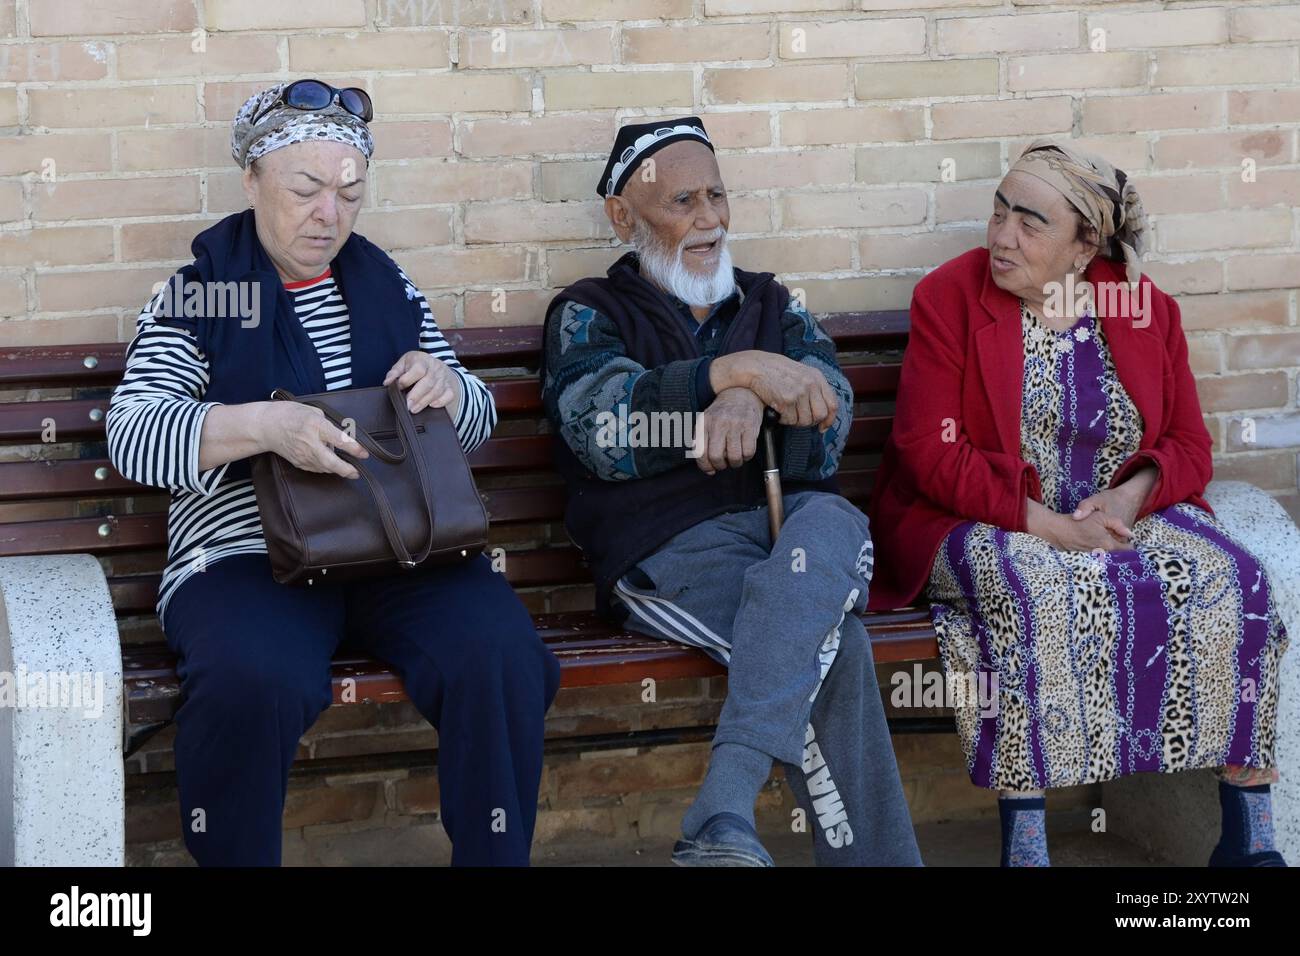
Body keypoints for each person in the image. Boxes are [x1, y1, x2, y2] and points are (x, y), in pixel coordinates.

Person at [106, 80, 560, 866]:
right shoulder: (203, 295)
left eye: (350, 193)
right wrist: (265, 427)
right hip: (249, 559)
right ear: (251, 183)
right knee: (252, 678)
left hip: (398, 544)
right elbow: (134, 434)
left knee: (500, 653)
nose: (331, 215)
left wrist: (449, 390)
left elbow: (474, 421)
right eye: (307, 189)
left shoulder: (385, 287)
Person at [868, 139, 1289, 867]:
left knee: (1242, 584)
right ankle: (1027, 844)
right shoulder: (951, 297)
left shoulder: (1141, 305)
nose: (1002, 235)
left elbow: (1189, 444)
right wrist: (1050, 525)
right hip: (978, 518)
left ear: (1084, 243)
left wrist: (1129, 494)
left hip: (1111, 518)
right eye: (998, 212)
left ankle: (1248, 838)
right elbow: (928, 453)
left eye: (1030, 222)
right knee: (1035, 588)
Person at [541, 116, 921, 867]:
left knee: (835, 518)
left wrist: (751, 395)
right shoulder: (589, 311)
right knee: (830, 648)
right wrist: (730, 375)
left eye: (717, 195)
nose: (710, 219)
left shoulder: (774, 303)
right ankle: (737, 811)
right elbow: (606, 435)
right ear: (624, 216)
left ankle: (723, 807)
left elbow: (831, 416)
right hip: (671, 554)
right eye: (683, 202)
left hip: (794, 535)